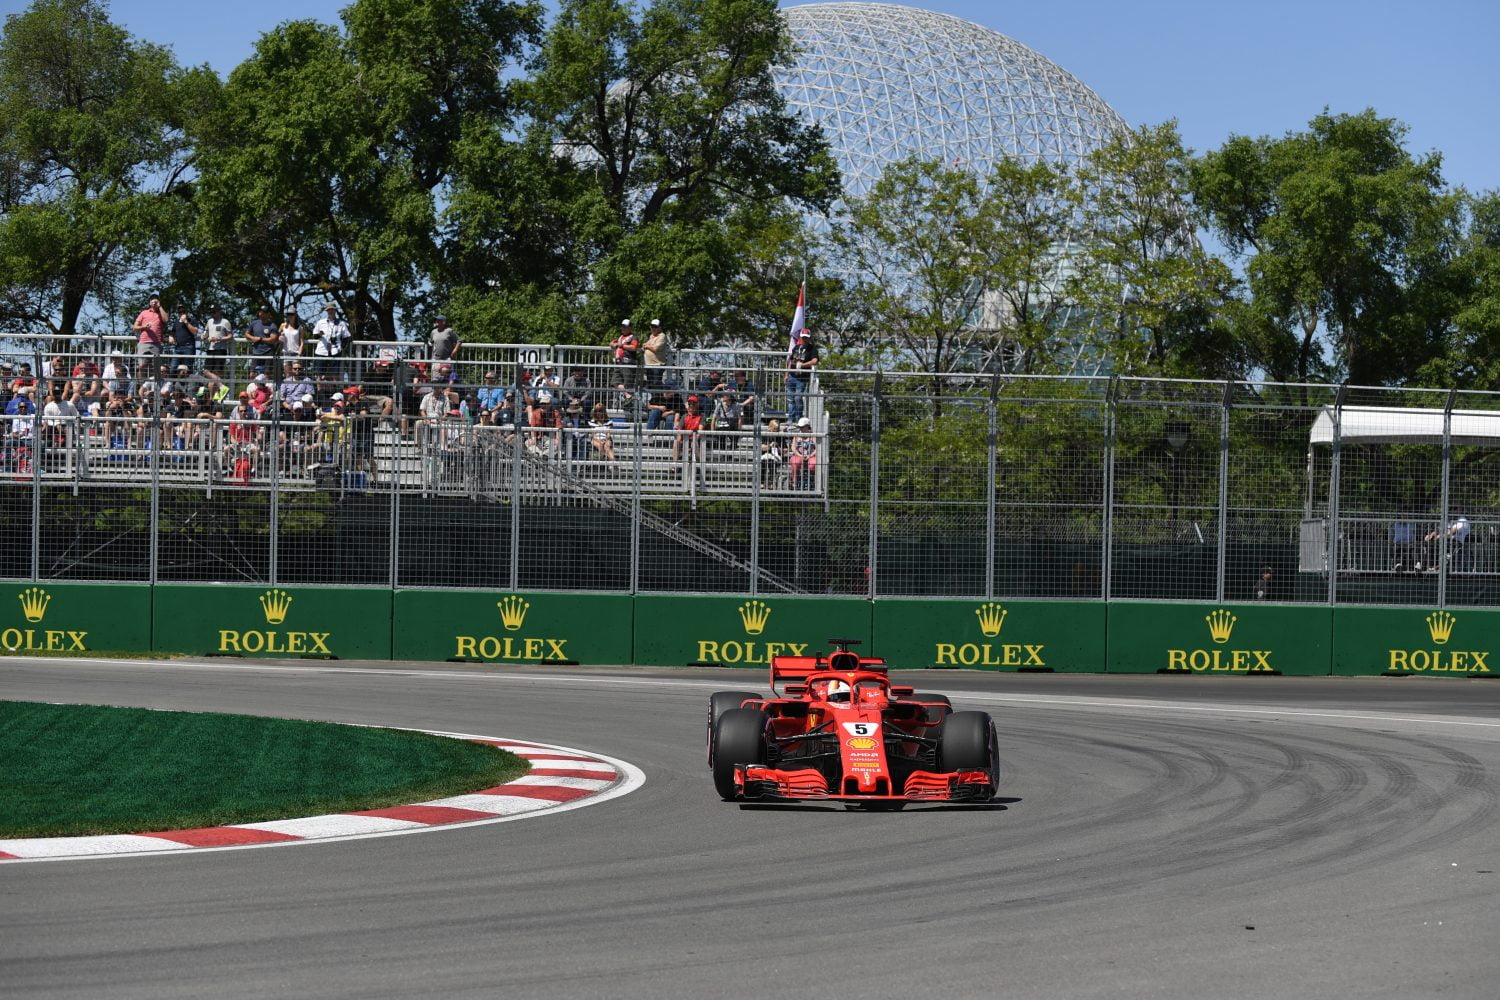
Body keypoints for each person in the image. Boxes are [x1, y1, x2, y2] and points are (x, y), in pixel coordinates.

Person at [132, 294, 170, 383]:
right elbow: (135, 327)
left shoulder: (161, 312)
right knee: (141, 366)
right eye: (152, 300)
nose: (154, 302)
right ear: (149, 302)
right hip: (143, 343)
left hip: (156, 343)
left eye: (156, 300)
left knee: (156, 368)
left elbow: (166, 320)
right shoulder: (144, 313)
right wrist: (144, 327)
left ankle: (155, 390)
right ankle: (141, 388)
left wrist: (160, 306)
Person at [786, 328, 818, 424]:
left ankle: (798, 417)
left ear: (809, 338)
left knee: (798, 397)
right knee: (791, 398)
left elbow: (815, 361)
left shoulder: (812, 349)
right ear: (800, 337)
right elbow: (790, 361)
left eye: (806, 338)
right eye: (803, 337)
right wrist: (786, 374)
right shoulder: (796, 348)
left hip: (802, 378)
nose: (804, 339)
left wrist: (802, 365)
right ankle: (790, 419)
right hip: (792, 376)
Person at [311, 302, 350, 377]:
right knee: (319, 375)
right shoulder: (320, 322)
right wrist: (320, 334)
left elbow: (346, 337)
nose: (330, 311)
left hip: (335, 352)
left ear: (335, 310)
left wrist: (341, 347)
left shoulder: (341, 323)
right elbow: (314, 335)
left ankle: (334, 389)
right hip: (321, 351)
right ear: (327, 311)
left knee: (335, 375)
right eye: (329, 310)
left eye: (332, 309)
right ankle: (320, 389)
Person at [243, 305, 281, 375]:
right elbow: (246, 334)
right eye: (260, 311)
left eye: (263, 312)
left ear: (268, 314)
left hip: (268, 352)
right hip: (256, 352)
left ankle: (266, 386)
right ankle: (254, 386)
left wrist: (260, 339)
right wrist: (252, 338)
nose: (261, 313)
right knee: (252, 374)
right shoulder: (254, 323)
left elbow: (273, 339)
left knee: (267, 374)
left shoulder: (272, 325)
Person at [789, 415, 817, 489]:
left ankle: (814, 481)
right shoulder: (797, 435)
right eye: (800, 427)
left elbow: (818, 448)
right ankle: (794, 481)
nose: (800, 428)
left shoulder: (813, 436)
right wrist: (799, 455)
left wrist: (810, 455)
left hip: (811, 456)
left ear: (807, 426)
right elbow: (793, 447)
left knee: (813, 464)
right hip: (798, 455)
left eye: (802, 427)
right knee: (795, 462)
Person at [169, 303, 199, 368]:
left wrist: (186, 321)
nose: (182, 313)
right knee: (173, 367)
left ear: (187, 312)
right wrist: (170, 337)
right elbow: (172, 332)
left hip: (189, 347)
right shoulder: (176, 322)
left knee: (187, 368)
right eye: (180, 312)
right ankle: (173, 378)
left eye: (183, 312)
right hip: (178, 347)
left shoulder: (192, 320)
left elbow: (195, 332)